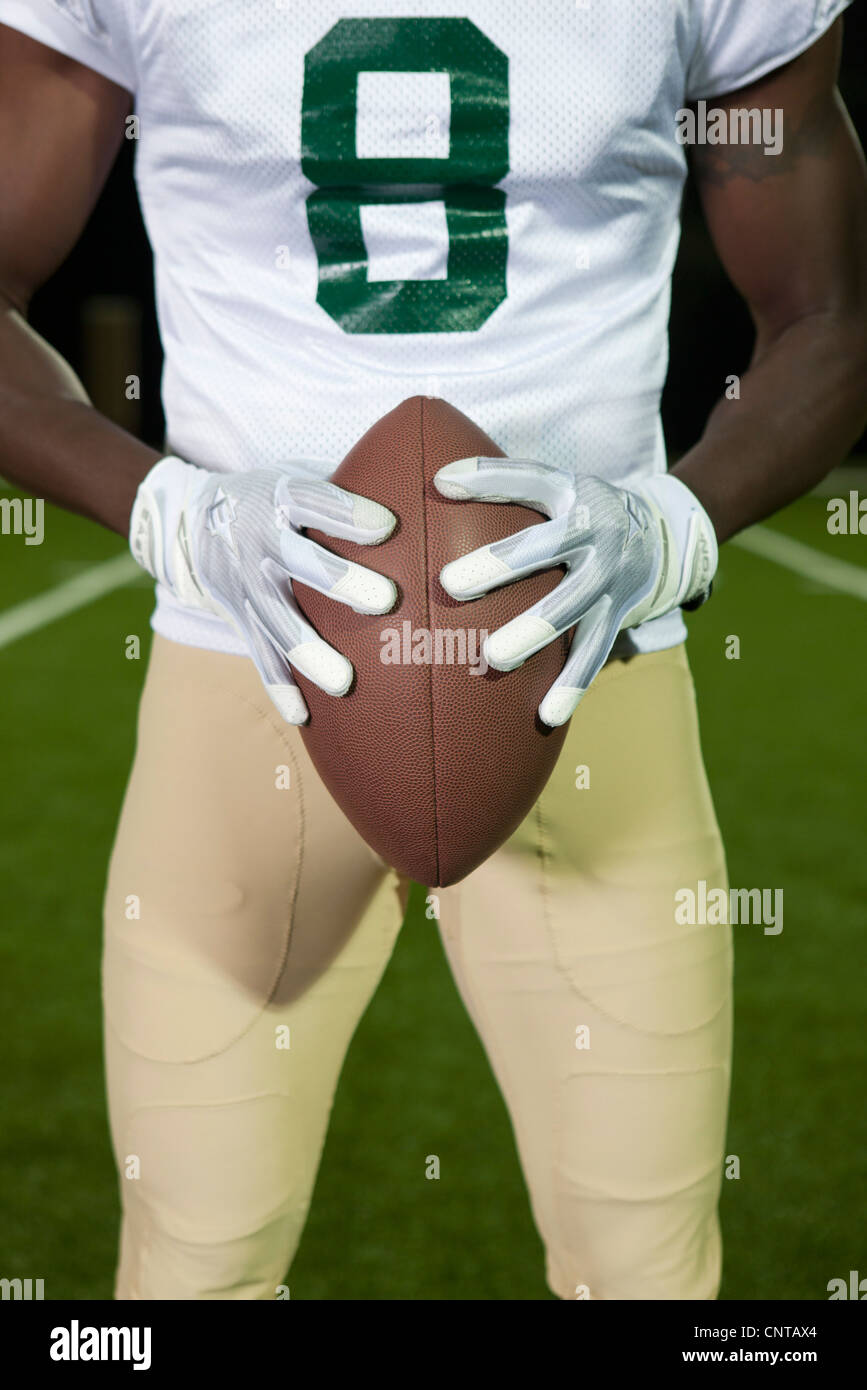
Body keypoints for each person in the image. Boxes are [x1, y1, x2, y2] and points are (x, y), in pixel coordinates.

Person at [0, 0, 864, 1300]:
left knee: (649, 1275)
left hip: (590, 672)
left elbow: (832, 310)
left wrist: (676, 523)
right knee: (192, 1269)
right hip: (247, 670)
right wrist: (164, 504)